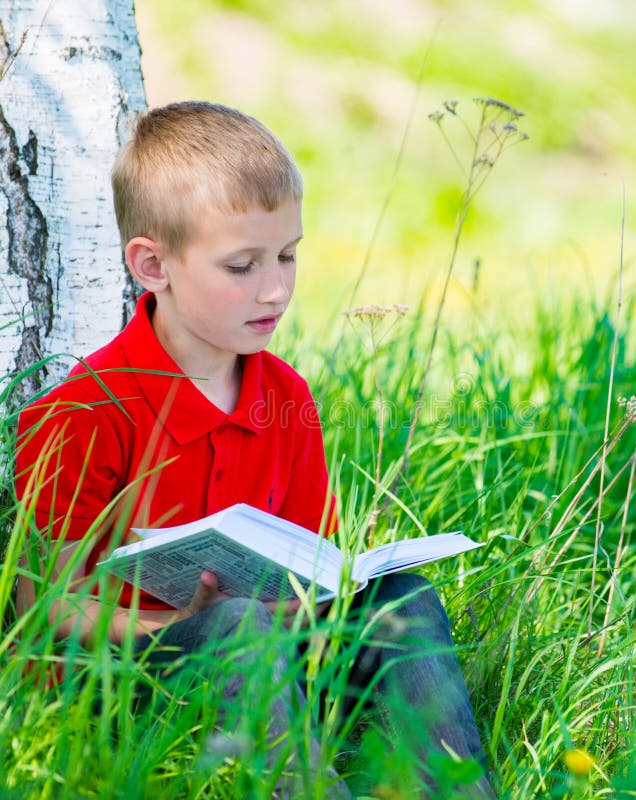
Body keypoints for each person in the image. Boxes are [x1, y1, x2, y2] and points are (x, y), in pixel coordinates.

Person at [14, 101, 495, 799]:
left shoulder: (285, 396)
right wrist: (176, 622)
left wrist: (316, 601)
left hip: (268, 656)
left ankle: (453, 790)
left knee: (401, 596)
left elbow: (311, 567)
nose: (276, 288)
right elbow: (44, 609)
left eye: (288, 255)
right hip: (119, 682)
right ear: (153, 265)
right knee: (234, 624)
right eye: (242, 265)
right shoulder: (87, 411)